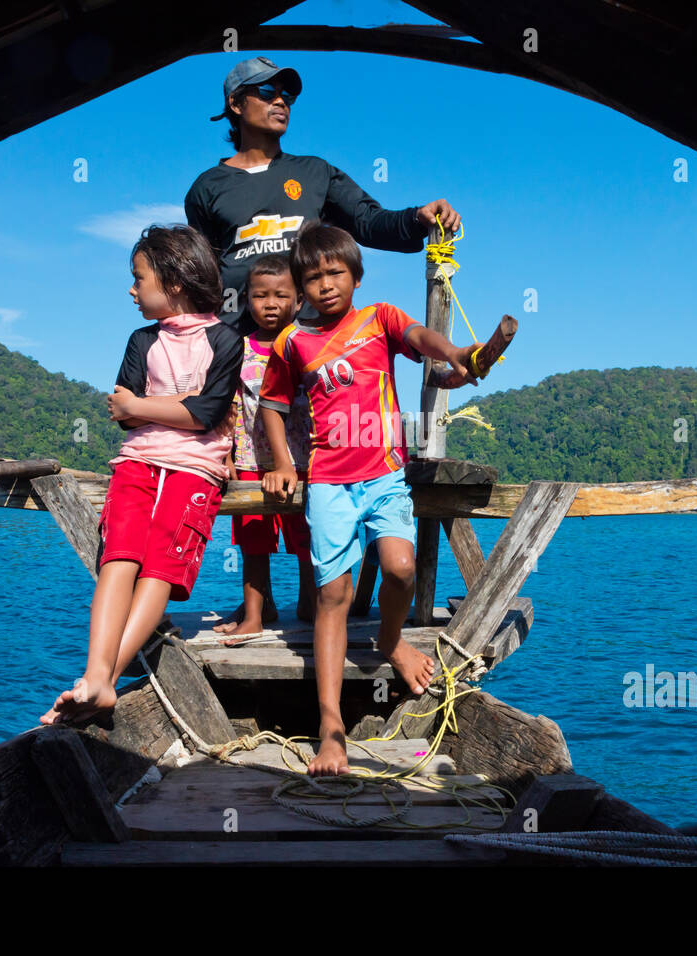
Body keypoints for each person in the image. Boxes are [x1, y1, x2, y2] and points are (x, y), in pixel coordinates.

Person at [258, 222, 479, 776]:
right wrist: (283, 463)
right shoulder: (292, 342)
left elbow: (421, 340)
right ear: (301, 286)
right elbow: (272, 405)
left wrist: (454, 352)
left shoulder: (378, 318)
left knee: (400, 568)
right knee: (333, 595)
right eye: (312, 277)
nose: (325, 285)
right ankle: (330, 729)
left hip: (383, 474)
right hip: (328, 481)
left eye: (335, 273)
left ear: (356, 275)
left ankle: (389, 639)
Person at [41, 225, 242, 724]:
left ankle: (106, 680)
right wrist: (170, 408)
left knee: (159, 572)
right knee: (119, 559)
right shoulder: (142, 340)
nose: (132, 290)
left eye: (139, 278)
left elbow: (208, 413)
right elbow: (121, 411)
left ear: (173, 281)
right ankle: (96, 675)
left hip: (195, 469)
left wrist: (148, 406)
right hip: (137, 462)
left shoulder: (225, 339)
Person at [184, 55, 462, 336]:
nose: (280, 102)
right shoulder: (206, 188)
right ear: (236, 103)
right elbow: (204, 276)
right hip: (236, 343)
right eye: (267, 92)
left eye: (287, 96)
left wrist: (417, 218)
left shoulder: (315, 172)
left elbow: (368, 221)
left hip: (311, 341)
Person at [214, 254, 316, 637]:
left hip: (303, 460)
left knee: (309, 537)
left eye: (280, 295)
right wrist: (226, 457)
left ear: (299, 300)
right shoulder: (238, 349)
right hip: (251, 459)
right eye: (260, 296)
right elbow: (228, 407)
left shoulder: (308, 346)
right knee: (254, 540)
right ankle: (257, 614)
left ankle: (311, 603)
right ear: (246, 300)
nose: (270, 303)